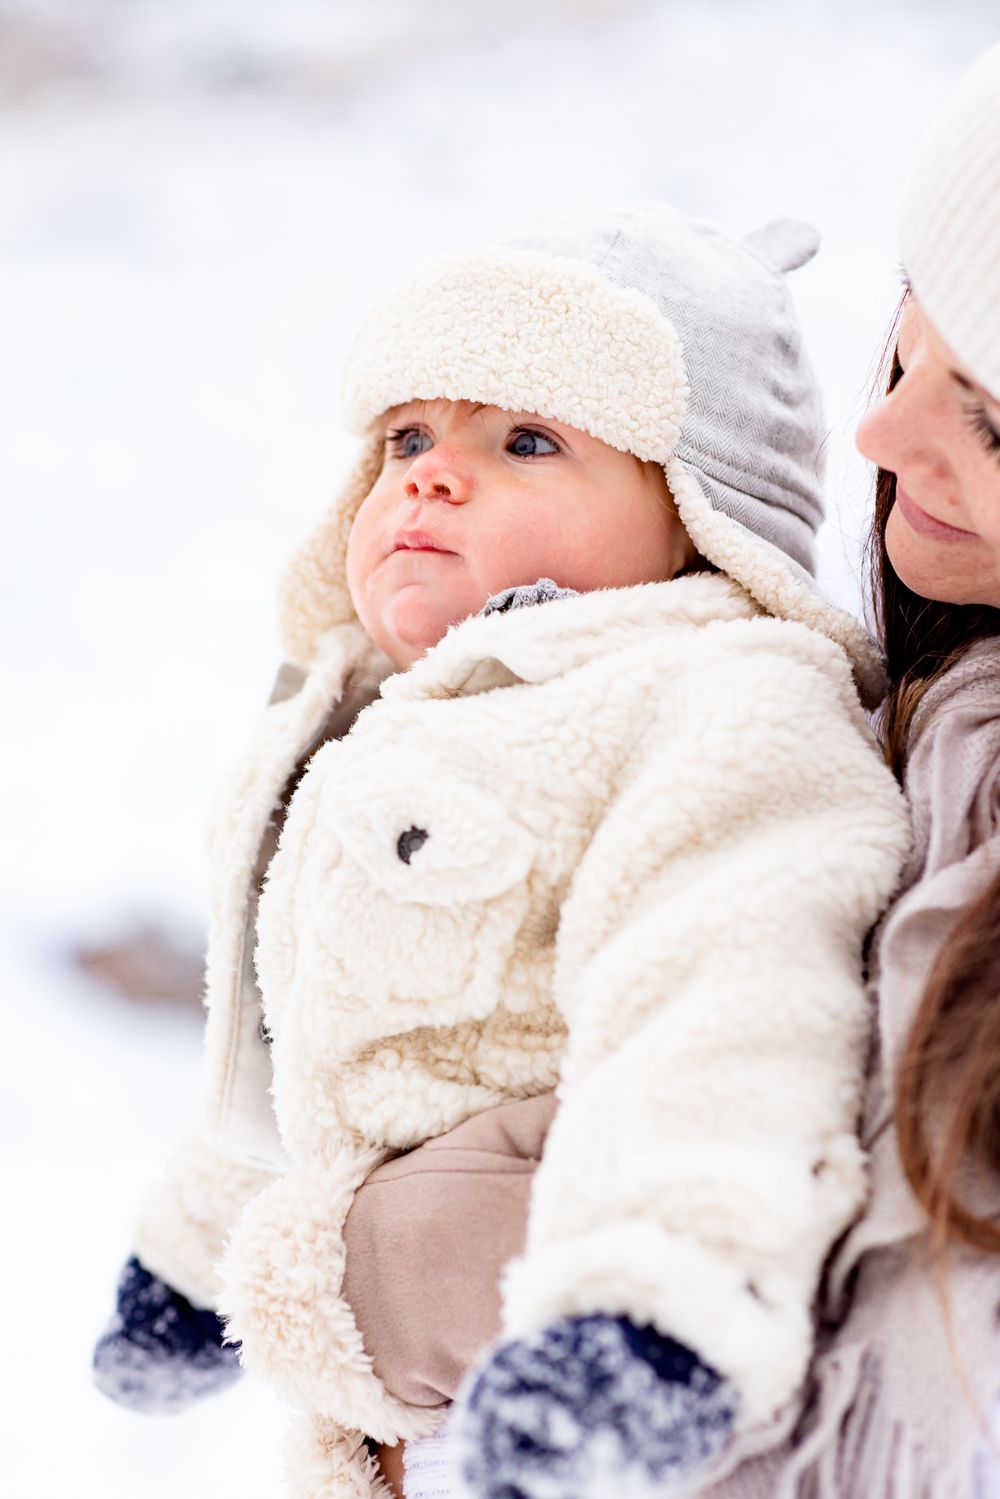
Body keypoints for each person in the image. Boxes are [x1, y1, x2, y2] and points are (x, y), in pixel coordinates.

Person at [92, 199, 909, 1499]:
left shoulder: (716, 700)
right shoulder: (352, 716)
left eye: (527, 437)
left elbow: (727, 1005)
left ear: (704, 515)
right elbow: (284, 1040)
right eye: (408, 434)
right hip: (383, 1425)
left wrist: (651, 1311)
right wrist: (196, 1259)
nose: (430, 472)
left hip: (599, 1382)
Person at [338, 40, 1000, 1499]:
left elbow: (732, 1013)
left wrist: (384, 1270)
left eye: (990, 415)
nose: (877, 431)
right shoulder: (386, 715)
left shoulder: (741, 718)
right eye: (908, 345)